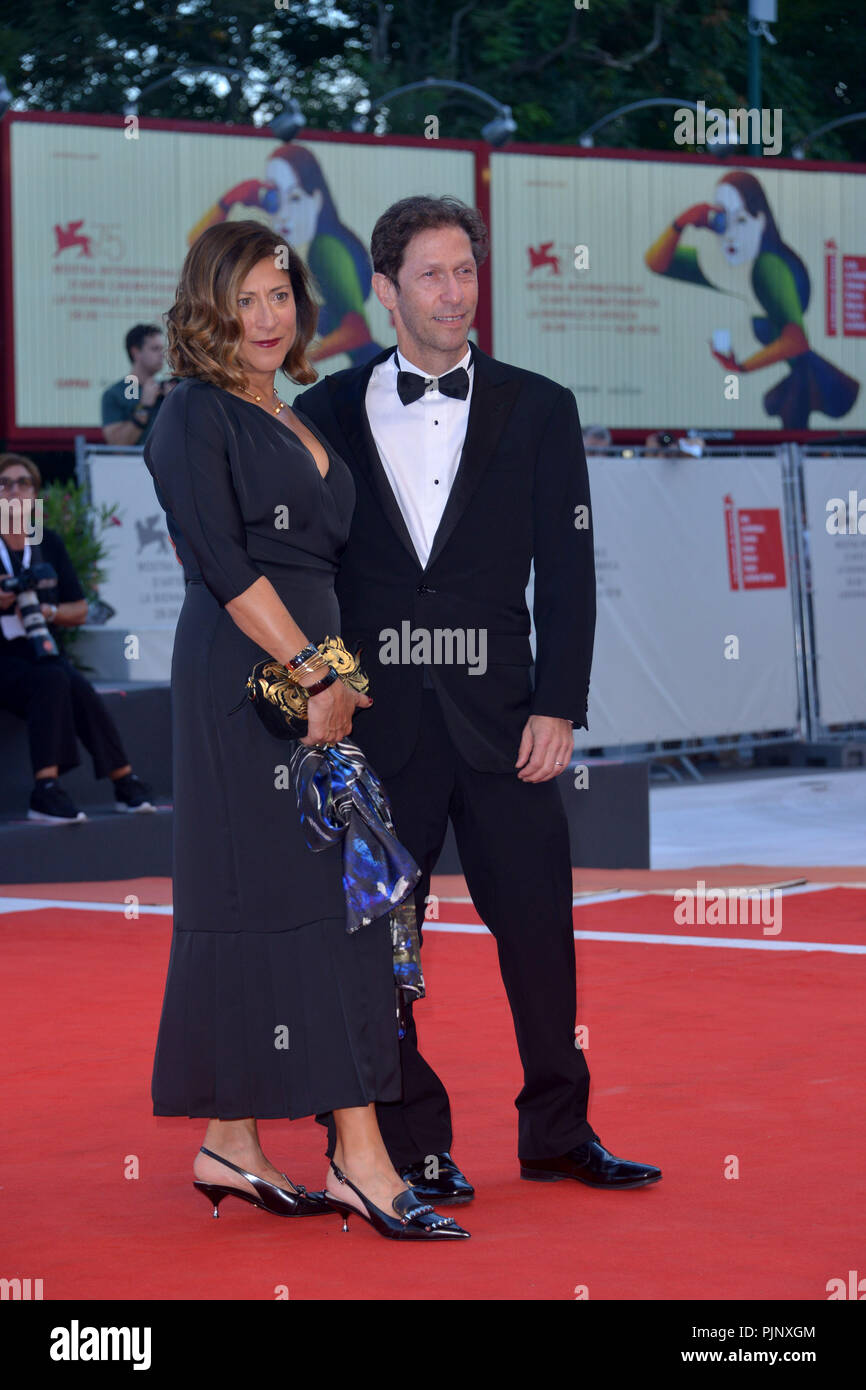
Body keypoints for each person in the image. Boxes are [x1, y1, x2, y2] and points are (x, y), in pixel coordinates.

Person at [295, 194, 662, 1200]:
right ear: (383, 290)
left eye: (464, 272)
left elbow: (570, 568)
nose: (452, 293)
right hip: (378, 727)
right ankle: (411, 1140)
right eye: (429, 274)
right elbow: (305, 574)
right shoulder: (323, 412)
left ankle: (556, 1128)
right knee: (383, 940)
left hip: (507, 725)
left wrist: (559, 703)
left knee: (539, 928)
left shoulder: (538, 405)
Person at [142, 219, 468, 1240]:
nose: (267, 316)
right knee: (324, 907)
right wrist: (317, 671)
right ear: (208, 308)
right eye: (244, 300)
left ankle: (231, 1139)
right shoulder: (191, 414)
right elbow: (228, 572)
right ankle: (361, 1159)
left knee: (276, 900)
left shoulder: (282, 412)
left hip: (312, 683)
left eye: (279, 296)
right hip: (250, 692)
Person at [0, 453, 154, 822]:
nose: (15, 491)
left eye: (24, 483)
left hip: (41, 649)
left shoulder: (47, 542)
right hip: (3, 656)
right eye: (5, 483)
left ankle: (123, 782)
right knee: (56, 677)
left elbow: (80, 609)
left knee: (75, 684)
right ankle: (46, 789)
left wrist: (45, 609)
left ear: (35, 494)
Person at [644, 170, 859, 429]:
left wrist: (742, 367)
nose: (731, 234)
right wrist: (680, 223)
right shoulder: (723, 264)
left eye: (742, 220)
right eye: (723, 221)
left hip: (804, 374)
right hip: (796, 374)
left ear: (761, 220)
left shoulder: (768, 266)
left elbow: (797, 341)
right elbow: (656, 263)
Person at [101, 325, 177, 447]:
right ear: (136, 352)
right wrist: (144, 407)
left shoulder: (170, 390)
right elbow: (118, 445)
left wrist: (176, 404)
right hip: (131, 465)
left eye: (163, 349)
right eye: (155, 349)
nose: (162, 354)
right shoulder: (114, 394)